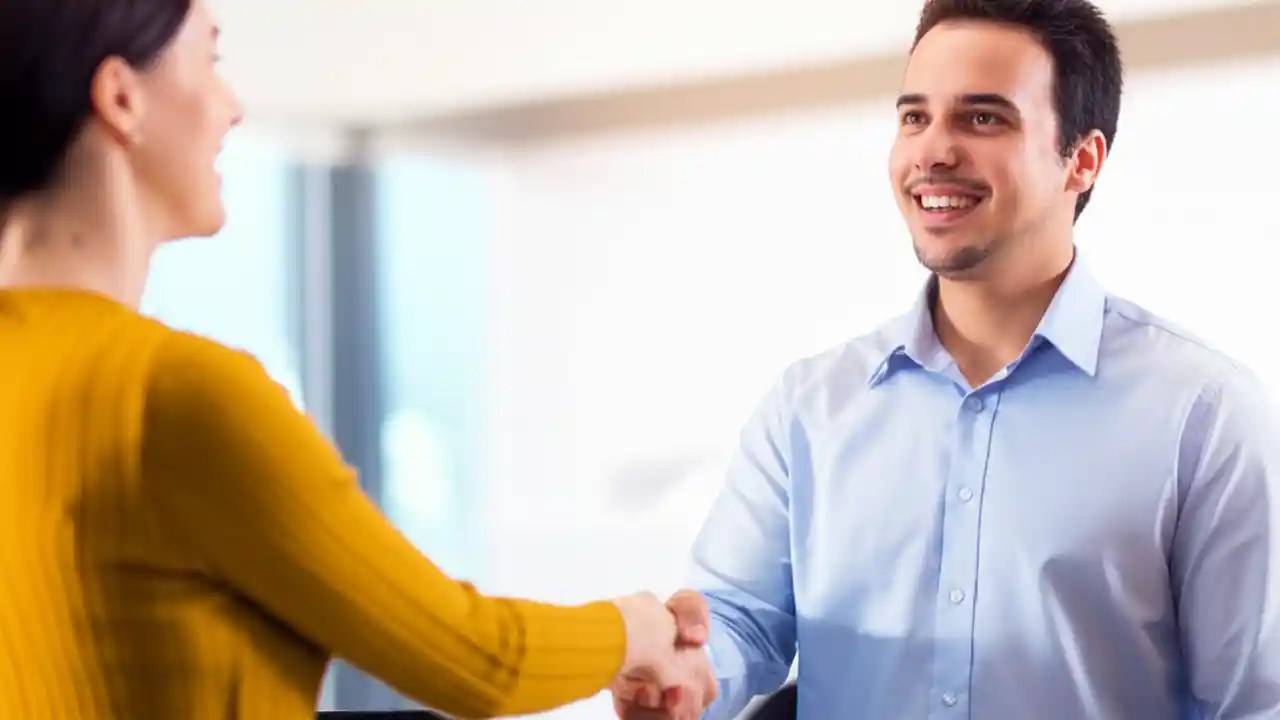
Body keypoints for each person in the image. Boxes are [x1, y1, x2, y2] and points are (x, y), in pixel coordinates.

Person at [0, 1, 712, 718]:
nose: (232, 108)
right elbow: (482, 659)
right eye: (211, 61)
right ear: (121, 97)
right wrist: (640, 629)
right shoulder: (175, 393)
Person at [612, 0, 1280, 718]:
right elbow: (737, 624)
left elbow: (1254, 702)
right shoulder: (811, 407)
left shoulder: (1202, 415)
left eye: (982, 117)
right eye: (914, 117)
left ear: (1082, 160)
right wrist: (681, 674)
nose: (931, 151)